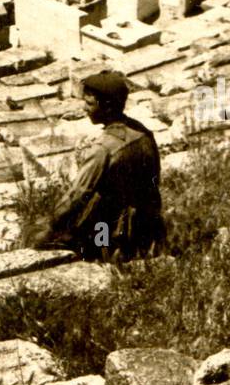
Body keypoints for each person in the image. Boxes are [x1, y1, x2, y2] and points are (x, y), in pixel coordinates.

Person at [26, 69, 165, 263]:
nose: (84, 108)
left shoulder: (104, 148)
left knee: (39, 238)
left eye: (89, 103)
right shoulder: (142, 132)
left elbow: (77, 196)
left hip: (112, 231)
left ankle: (99, 258)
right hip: (150, 226)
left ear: (107, 107)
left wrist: (50, 225)